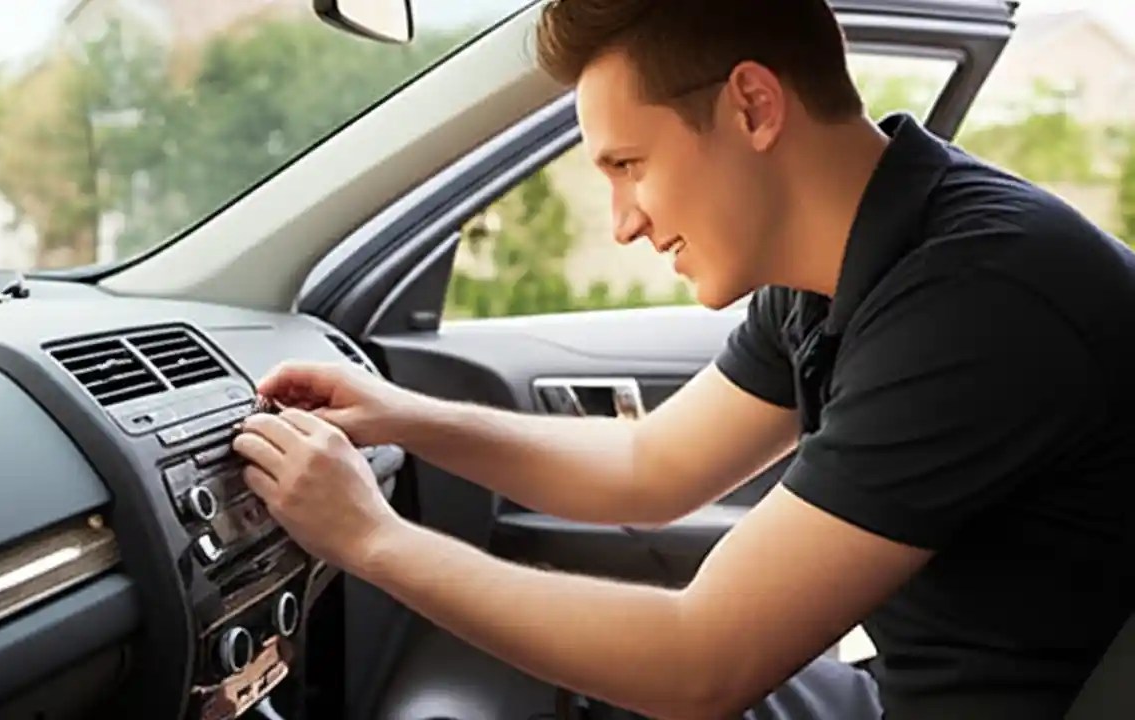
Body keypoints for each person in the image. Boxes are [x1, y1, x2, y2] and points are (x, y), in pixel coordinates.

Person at [230, 0, 1135, 718]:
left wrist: (370, 539)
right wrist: (399, 416)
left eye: (628, 164)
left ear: (752, 105)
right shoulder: (839, 261)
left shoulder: (976, 300)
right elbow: (649, 468)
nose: (624, 219)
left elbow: (701, 665)